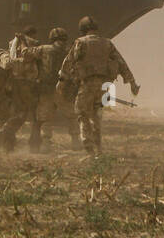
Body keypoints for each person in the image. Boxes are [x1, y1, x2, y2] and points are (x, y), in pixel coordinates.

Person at [58, 16, 139, 155]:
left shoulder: (80, 42)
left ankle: (88, 145)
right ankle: (99, 147)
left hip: (87, 84)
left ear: (82, 29)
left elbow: (69, 61)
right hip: (104, 85)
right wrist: (132, 82)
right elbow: (121, 63)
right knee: (96, 115)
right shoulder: (107, 43)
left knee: (82, 113)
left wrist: (62, 80)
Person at [29, 26, 71, 152]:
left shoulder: (43, 49)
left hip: (46, 88)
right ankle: (76, 141)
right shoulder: (69, 50)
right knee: (72, 115)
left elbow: (26, 54)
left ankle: (46, 144)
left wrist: (30, 43)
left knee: (45, 117)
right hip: (64, 87)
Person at [0, 26, 41, 151]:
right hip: (28, 82)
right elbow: (31, 58)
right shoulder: (32, 43)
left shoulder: (12, 44)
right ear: (32, 34)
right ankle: (33, 146)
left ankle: (8, 145)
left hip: (15, 82)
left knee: (17, 112)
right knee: (32, 115)